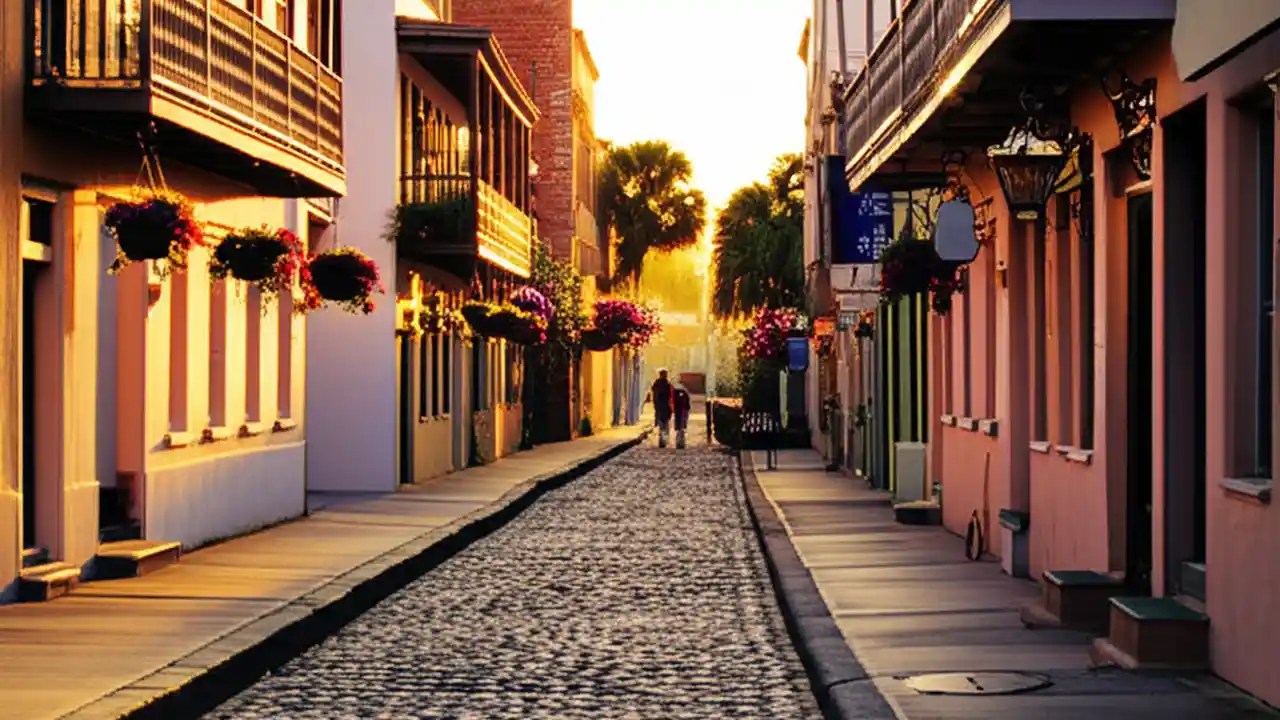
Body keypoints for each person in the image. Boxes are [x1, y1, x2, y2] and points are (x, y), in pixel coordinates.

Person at [650, 369, 674, 447]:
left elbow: (655, 395)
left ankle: (663, 441)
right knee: (664, 425)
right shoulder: (667, 384)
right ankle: (663, 440)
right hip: (664, 407)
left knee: (662, 425)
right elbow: (671, 396)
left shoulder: (658, 383)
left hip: (662, 407)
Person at [672, 384, 691, 449]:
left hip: (680, 411)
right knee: (681, 427)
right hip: (682, 411)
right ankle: (680, 442)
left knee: (680, 427)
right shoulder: (683, 392)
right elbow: (688, 405)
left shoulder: (677, 393)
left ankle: (679, 442)